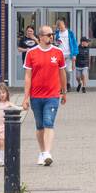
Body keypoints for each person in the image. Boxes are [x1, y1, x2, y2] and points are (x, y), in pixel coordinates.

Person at [22, 26, 67, 166]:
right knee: (39, 126)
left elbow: (62, 73)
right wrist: (25, 97)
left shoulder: (58, 52)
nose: (52, 37)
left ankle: (47, 152)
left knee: (49, 123)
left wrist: (64, 92)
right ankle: (42, 152)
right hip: (36, 95)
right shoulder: (31, 53)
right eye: (49, 34)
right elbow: (28, 77)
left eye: (52, 34)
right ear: (41, 36)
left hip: (53, 95)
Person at [54, 18, 79, 90]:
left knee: (68, 71)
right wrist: (56, 42)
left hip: (68, 54)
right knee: (60, 71)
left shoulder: (70, 33)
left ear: (64, 24)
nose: (60, 27)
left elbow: (74, 44)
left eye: (61, 25)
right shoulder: (56, 33)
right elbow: (54, 43)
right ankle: (62, 87)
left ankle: (67, 83)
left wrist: (74, 55)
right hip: (59, 55)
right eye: (59, 25)